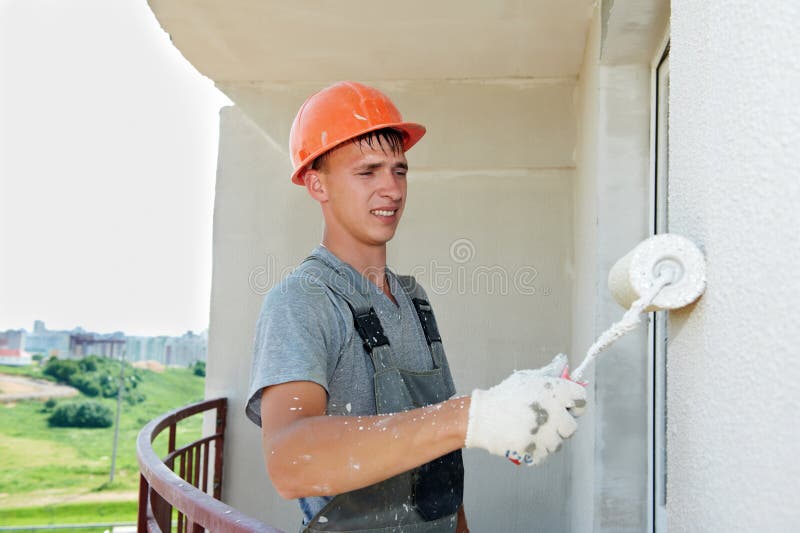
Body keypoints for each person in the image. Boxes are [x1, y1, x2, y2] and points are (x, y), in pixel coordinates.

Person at [245, 81, 587, 533]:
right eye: (368, 172)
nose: (391, 189)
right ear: (316, 183)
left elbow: (439, 472)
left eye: (399, 170)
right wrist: (474, 415)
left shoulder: (414, 299)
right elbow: (291, 461)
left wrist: (485, 419)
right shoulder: (305, 299)